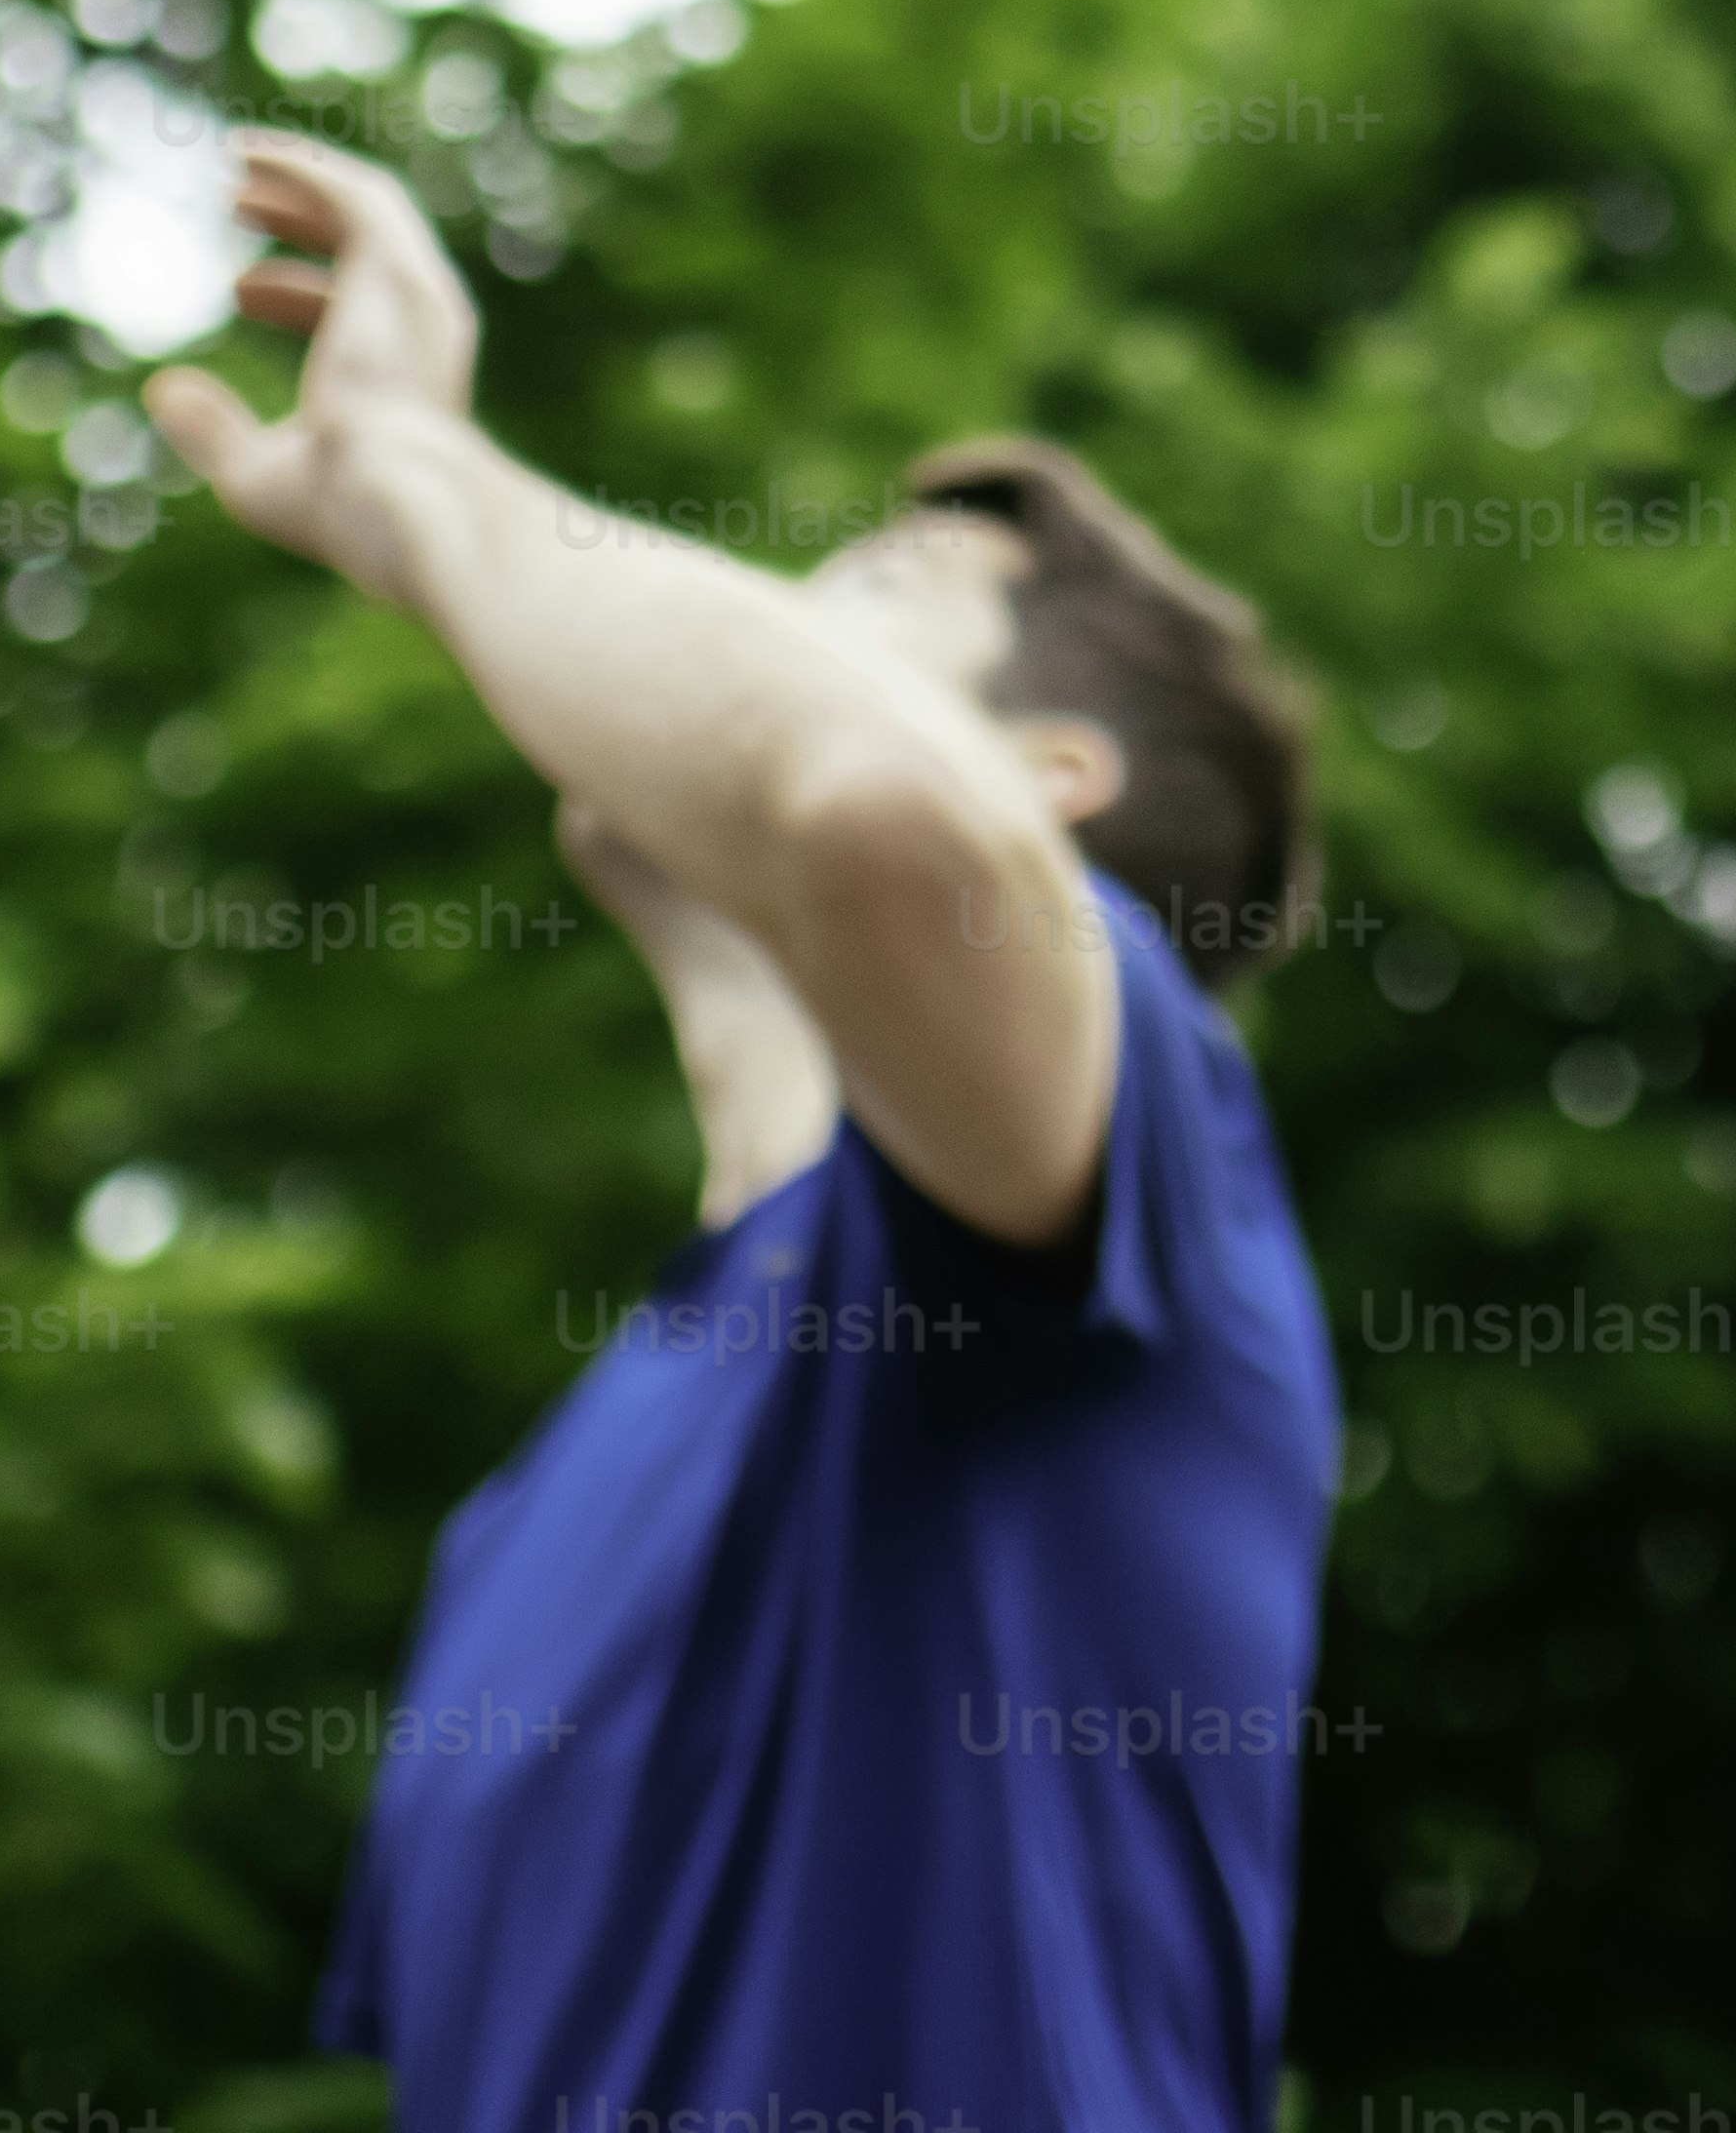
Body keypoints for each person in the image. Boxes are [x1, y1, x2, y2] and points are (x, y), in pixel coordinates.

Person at [148, 130, 1338, 2133]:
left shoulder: (1147, 1159)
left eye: (868, 591)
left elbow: (872, 811)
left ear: (1039, 781)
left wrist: (418, 474)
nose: (748, 609)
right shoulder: (569, 1473)